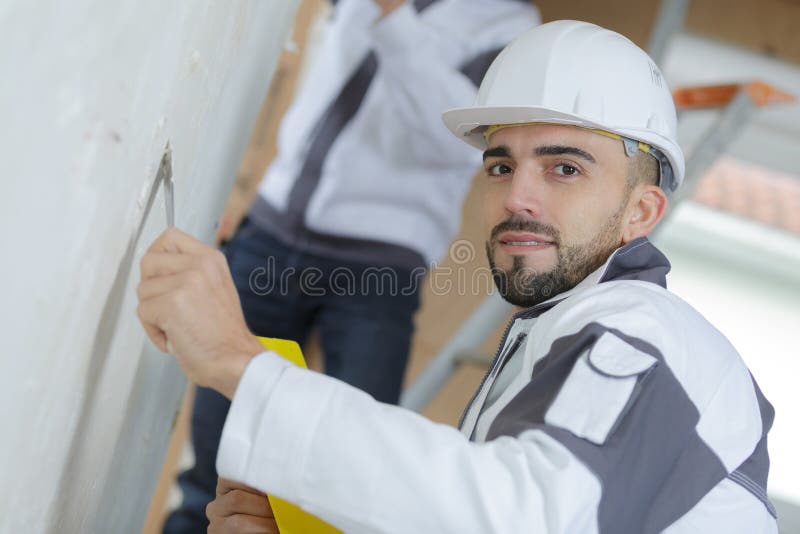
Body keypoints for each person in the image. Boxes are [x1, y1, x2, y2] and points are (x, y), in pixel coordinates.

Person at [138, 20, 778, 534]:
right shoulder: (551, 337)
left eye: (564, 169)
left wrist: (236, 361)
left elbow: (524, 520)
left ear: (641, 212)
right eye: (501, 167)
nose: (517, 196)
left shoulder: (643, 339)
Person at [164, 0, 541, 531]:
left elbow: (457, 142)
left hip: (376, 267)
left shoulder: (510, 27)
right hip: (271, 233)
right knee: (212, 457)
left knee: (350, 471)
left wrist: (393, 19)